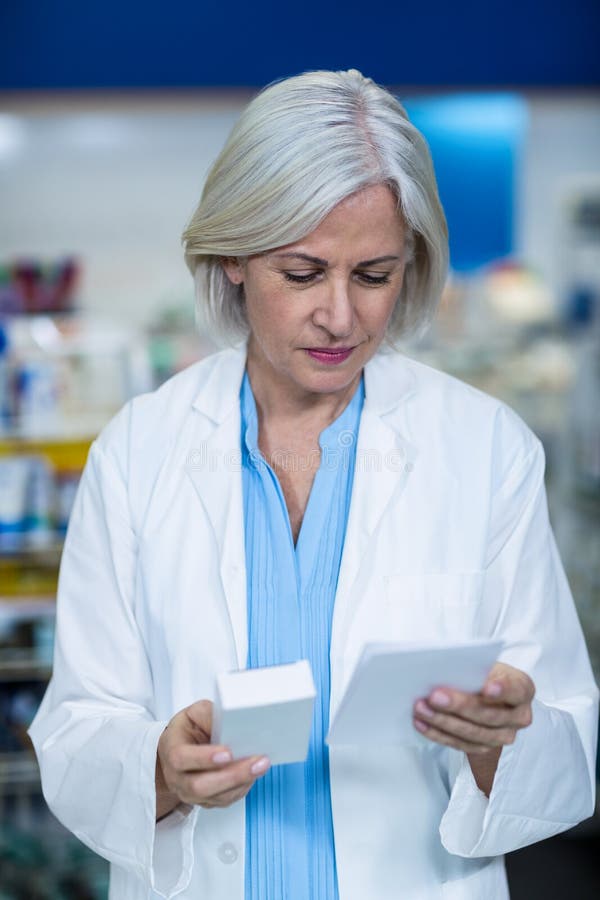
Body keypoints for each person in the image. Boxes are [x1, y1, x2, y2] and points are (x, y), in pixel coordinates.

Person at [30, 69, 597, 900]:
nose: (342, 316)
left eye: (375, 276)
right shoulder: (138, 453)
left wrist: (495, 739)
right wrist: (159, 768)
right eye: (302, 273)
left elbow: (570, 749)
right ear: (231, 257)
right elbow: (77, 731)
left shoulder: (483, 449)